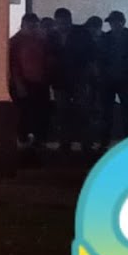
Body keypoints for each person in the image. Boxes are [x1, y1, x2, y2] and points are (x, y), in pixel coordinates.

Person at [97, 10, 128, 147]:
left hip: (119, 79)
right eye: (112, 22)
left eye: (114, 22)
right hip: (114, 79)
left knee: (123, 112)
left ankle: (107, 141)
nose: (113, 25)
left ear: (122, 22)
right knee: (116, 112)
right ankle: (110, 141)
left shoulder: (109, 38)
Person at [51, 8, 96, 152]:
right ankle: (65, 142)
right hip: (60, 79)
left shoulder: (81, 34)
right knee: (63, 112)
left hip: (78, 78)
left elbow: (91, 55)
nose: (63, 26)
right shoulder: (53, 36)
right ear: (56, 22)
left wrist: (88, 75)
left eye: (66, 23)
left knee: (82, 111)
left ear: (70, 21)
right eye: (61, 23)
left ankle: (86, 142)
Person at [10, 13, 50, 148]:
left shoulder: (41, 40)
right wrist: (18, 83)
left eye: (34, 25)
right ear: (23, 25)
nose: (33, 28)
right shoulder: (16, 41)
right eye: (30, 25)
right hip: (24, 81)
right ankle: (23, 137)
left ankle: (39, 138)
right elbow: (13, 64)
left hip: (40, 81)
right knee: (24, 112)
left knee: (40, 111)